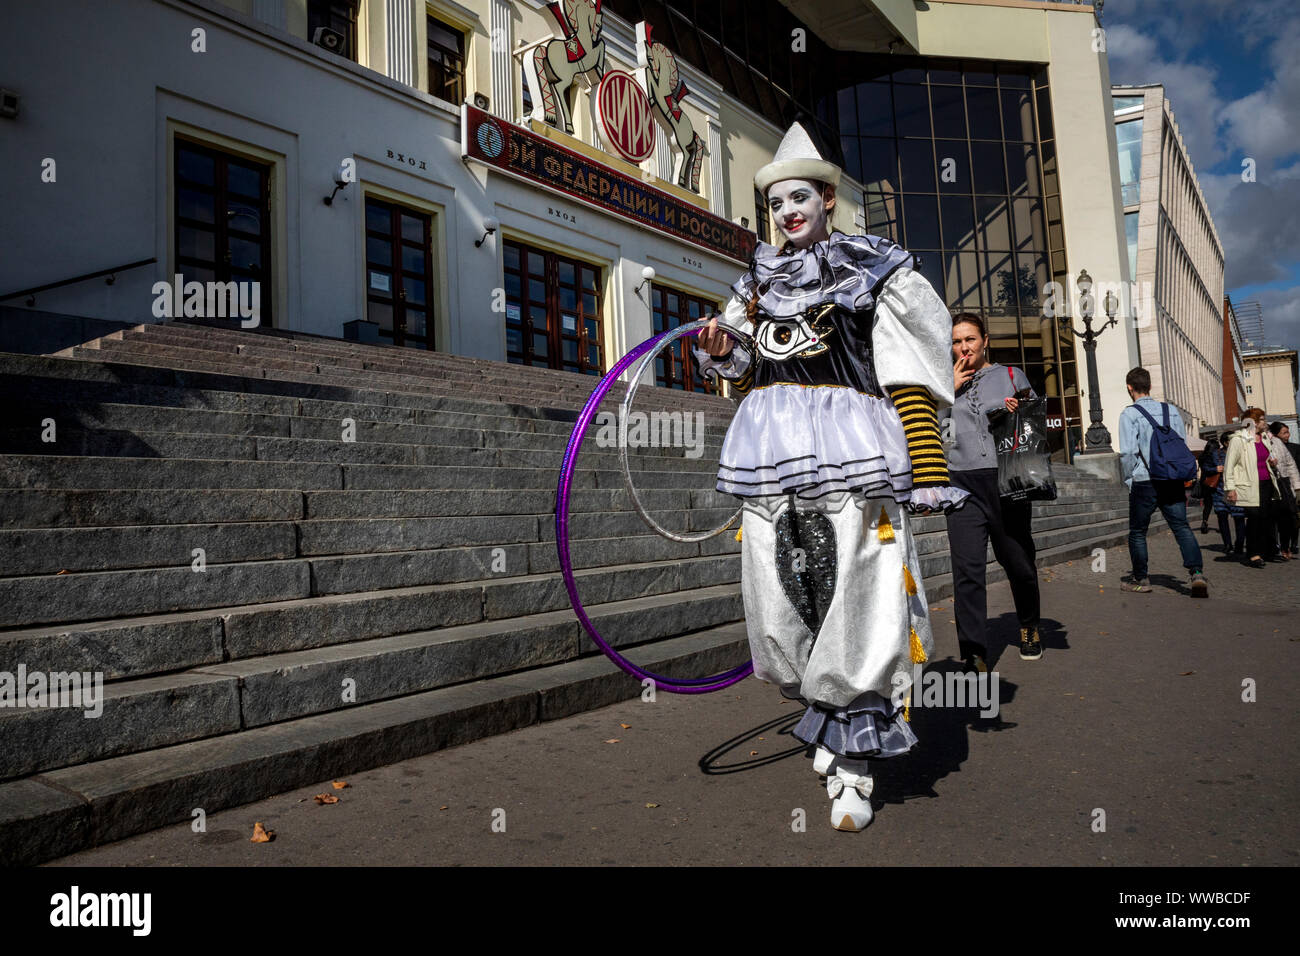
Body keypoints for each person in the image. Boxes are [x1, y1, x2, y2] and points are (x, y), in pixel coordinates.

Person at [692, 121, 967, 832]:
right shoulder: (754, 282)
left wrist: (924, 462)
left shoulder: (871, 267)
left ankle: (854, 761)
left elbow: (909, 364)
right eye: (776, 202)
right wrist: (723, 348)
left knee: (860, 587)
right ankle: (821, 706)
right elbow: (745, 364)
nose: (786, 213)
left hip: (852, 444)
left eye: (799, 200)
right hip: (771, 447)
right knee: (784, 584)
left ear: (826, 201)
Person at [937, 313, 1042, 667]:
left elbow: (1035, 423)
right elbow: (940, 438)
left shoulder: (1011, 375)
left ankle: (1029, 625)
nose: (963, 347)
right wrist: (944, 394)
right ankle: (974, 652)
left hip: (1005, 480)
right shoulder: (940, 382)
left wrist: (1017, 411)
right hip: (962, 484)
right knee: (967, 572)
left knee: (1020, 563)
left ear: (985, 341)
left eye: (970, 339)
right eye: (956, 341)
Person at [1117, 368, 1208, 596]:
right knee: (1181, 526)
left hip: (1145, 480)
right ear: (1149, 385)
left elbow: (1128, 453)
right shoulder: (1171, 411)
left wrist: (1128, 479)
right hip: (1171, 478)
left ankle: (1141, 578)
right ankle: (1196, 573)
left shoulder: (1129, 414)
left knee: (1138, 531)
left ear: (1129, 387)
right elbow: (1180, 443)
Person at [1223, 409, 1280, 569]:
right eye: (1262, 419)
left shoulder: (1263, 438)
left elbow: (1264, 458)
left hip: (1266, 482)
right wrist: (1230, 488)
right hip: (1249, 485)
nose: (1265, 422)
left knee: (1266, 518)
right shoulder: (1238, 439)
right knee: (1254, 519)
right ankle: (1253, 554)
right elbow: (1229, 466)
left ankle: (1267, 551)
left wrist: (1271, 463)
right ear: (1252, 421)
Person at [1209, 432, 1246, 558]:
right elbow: (1206, 468)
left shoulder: (1242, 453)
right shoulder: (1216, 454)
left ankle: (1240, 544)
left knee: (1239, 518)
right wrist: (1215, 469)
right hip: (1220, 491)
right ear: (1225, 443)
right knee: (1222, 518)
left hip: (1237, 490)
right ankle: (1227, 544)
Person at [1267, 422, 1300, 559]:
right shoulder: (1258, 442)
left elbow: (1291, 465)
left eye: (1288, 432)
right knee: (1271, 519)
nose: (1288, 435)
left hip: (1284, 484)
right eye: (1284, 432)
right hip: (1268, 484)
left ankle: (1288, 545)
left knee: (1288, 517)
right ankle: (1274, 546)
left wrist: (1297, 487)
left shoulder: (1280, 444)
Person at [1197, 439, 1219, 534]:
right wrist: (1216, 469)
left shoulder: (1202, 456)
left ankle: (1204, 521)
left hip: (1204, 482)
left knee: (1208, 504)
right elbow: (1212, 467)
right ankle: (1222, 524)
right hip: (1214, 481)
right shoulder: (1213, 455)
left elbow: (1203, 468)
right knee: (1218, 504)